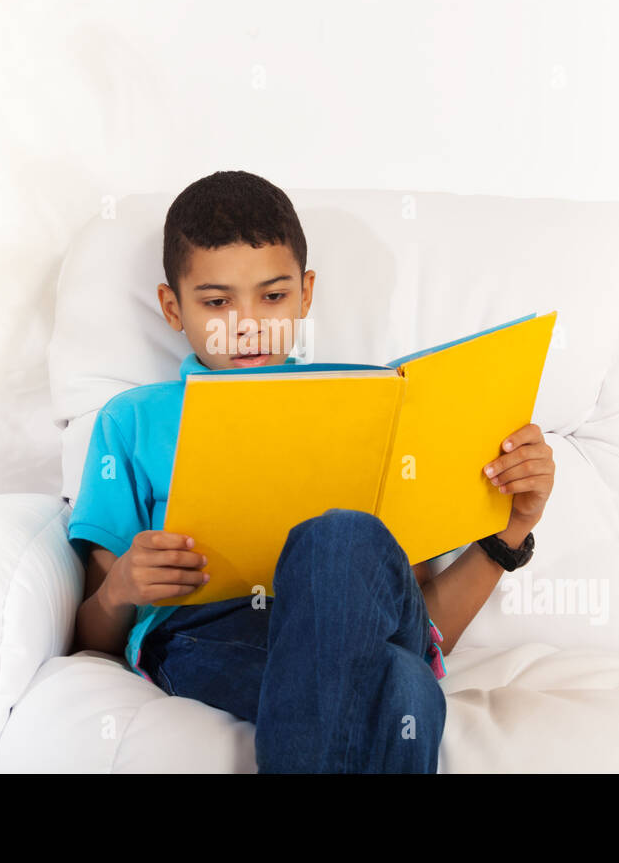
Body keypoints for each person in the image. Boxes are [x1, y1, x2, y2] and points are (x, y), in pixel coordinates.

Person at [66, 170, 555, 773]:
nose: (248, 323)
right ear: (173, 307)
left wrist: (510, 529)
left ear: (305, 293)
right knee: (401, 686)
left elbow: (429, 628)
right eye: (217, 302)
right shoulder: (134, 422)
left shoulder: (371, 408)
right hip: (209, 633)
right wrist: (121, 589)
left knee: (340, 538)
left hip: (369, 610)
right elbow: (91, 634)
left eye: (273, 296)